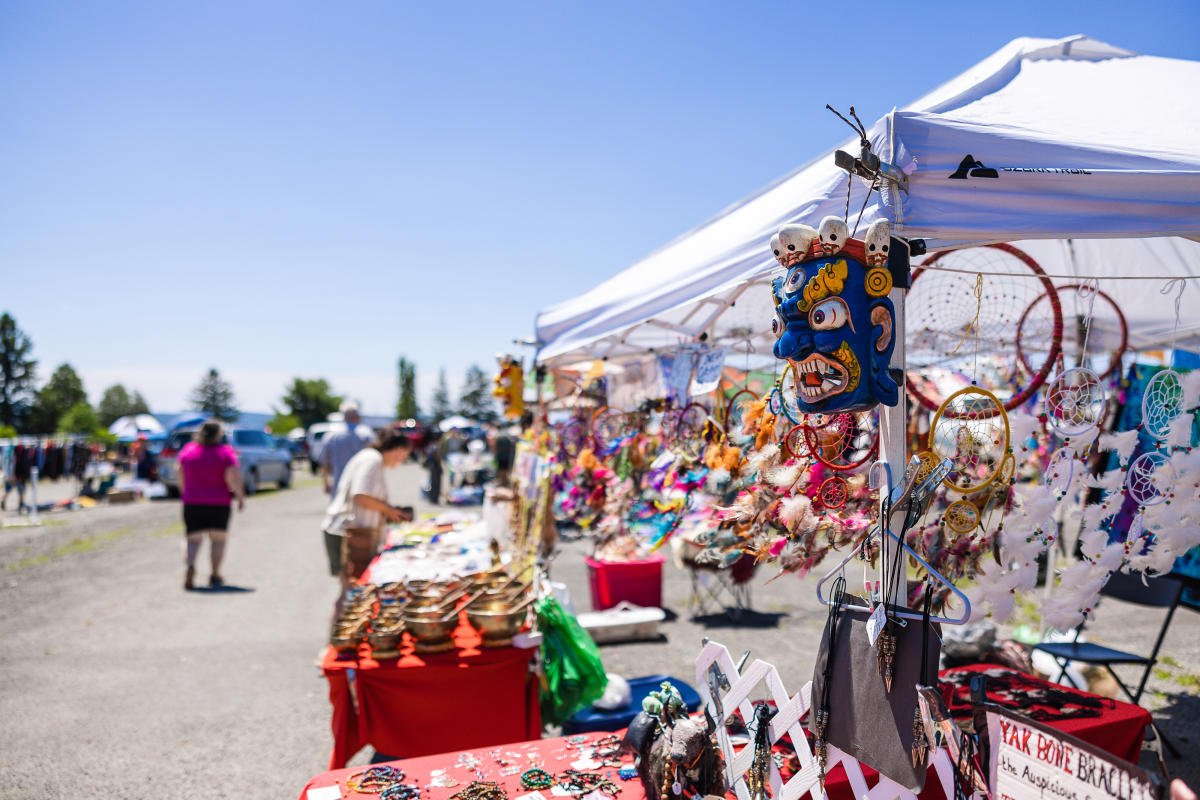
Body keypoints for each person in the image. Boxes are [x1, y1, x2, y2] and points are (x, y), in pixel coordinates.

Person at [321, 428, 414, 588]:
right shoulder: (372, 459)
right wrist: (388, 510)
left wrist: (388, 510)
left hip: (350, 532)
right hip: (349, 534)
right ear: (399, 449)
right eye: (405, 455)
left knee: (350, 592)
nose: (402, 460)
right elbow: (361, 495)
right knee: (352, 592)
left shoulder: (370, 457)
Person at [177, 420, 244, 590]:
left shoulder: (188, 451)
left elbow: (179, 472)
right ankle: (215, 575)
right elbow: (232, 477)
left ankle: (190, 565)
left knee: (192, 539)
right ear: (218, 435)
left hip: (192, 501)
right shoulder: (225, 453)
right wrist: (240, 497)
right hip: (218, 502)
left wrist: (185, 492)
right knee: (218, 540)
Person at [321, 400, 369, 495]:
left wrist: (326, 483)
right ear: (357, 416)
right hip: (362, 486)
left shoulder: (331, 436)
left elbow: (324, 462)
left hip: (339, 485)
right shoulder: (365, 433)